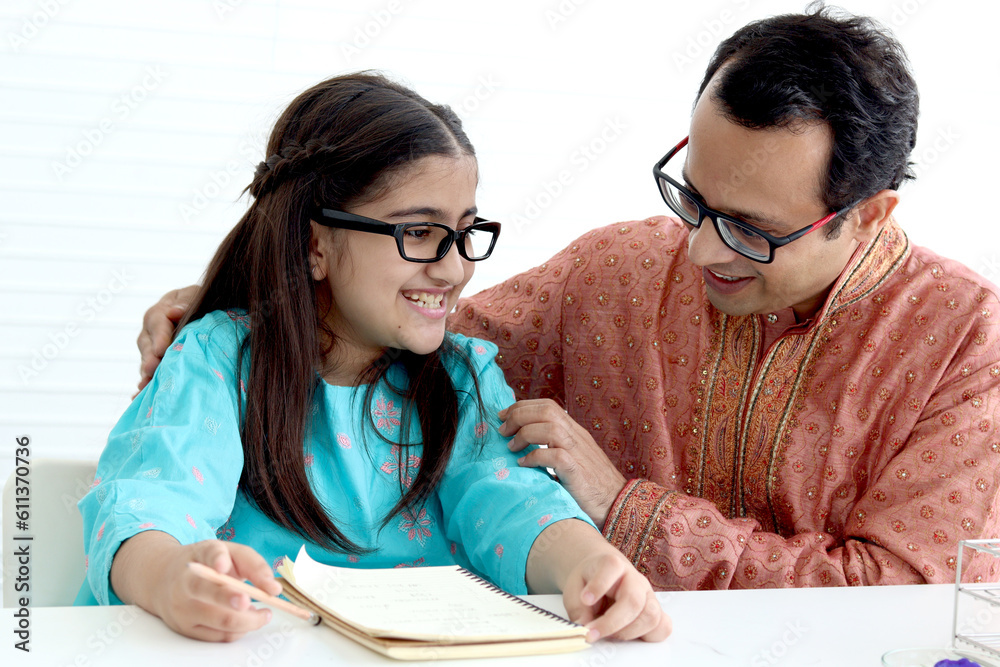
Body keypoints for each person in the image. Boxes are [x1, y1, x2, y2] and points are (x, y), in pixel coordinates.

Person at [139, 7, 1000, 591]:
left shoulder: (965, 341)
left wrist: (625, 508)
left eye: (746, 227)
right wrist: (250, 301)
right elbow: (397, 329)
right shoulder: (616, 270)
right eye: (691, 198)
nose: (696, 248)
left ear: (869, 213)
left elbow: (891, 597)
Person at [79, 72, 671, 645]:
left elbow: (514, 504)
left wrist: (589, 563)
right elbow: (146, 504)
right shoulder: (219, 360)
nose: (455, 267)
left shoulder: (462, 379)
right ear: (316, 244)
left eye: (466, 233)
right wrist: (168, 577)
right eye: (418, 232)